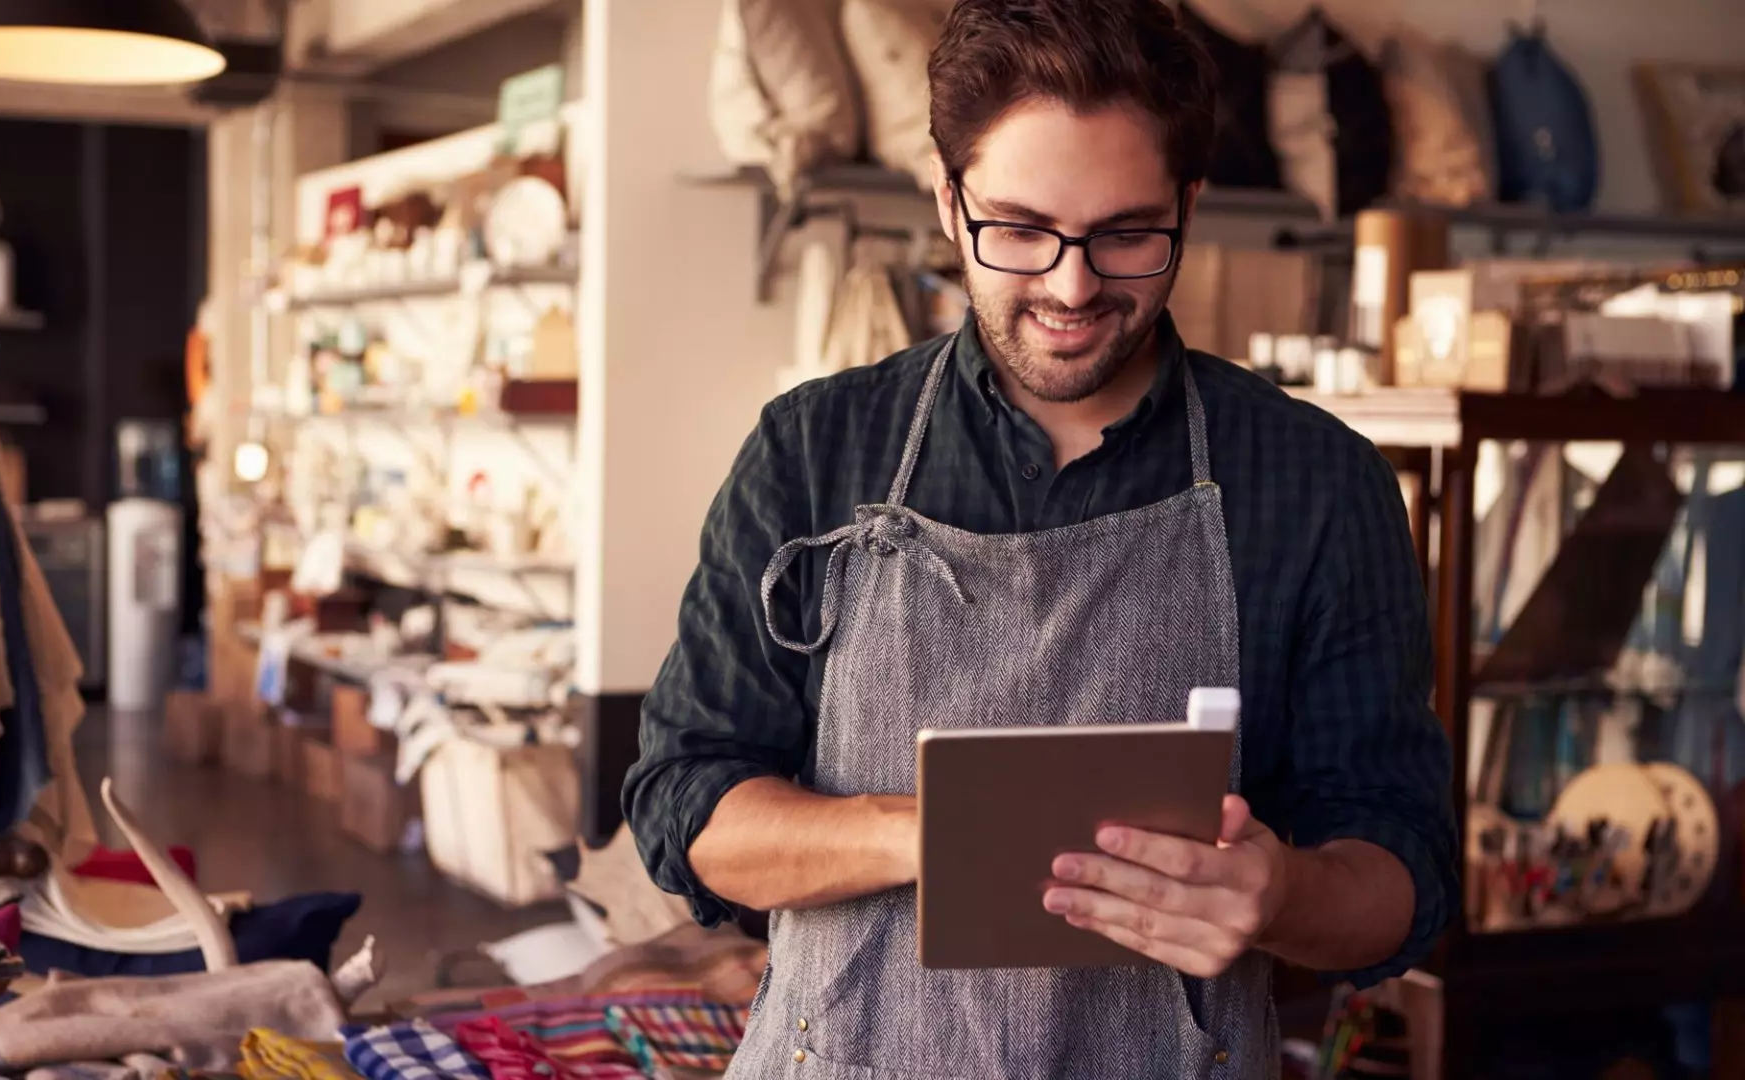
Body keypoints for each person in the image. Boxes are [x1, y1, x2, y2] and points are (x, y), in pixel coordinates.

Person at [623, 0, 1457, 1075]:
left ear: (1189, 207)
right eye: (1018, 230)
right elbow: (681, 807)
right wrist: (929, 833)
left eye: (1125, 234)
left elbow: (1406, 872)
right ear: (947, 199)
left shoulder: (1315, 483)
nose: (1072, 286)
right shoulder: (813, 451)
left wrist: (1283, 893)